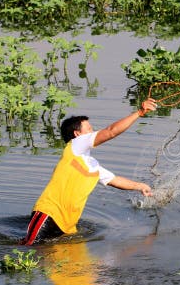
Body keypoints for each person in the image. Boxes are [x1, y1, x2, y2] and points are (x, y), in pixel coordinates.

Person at [21, 99, 157, 245]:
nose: (93, 132)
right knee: (28, 250)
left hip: (67, 224)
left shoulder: (92, 165)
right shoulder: (75, 145)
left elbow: (114, 180)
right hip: (49, 214)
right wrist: (139, 113)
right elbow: (110, 132)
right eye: (89, 129)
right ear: (77, 134)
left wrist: (140, 186)